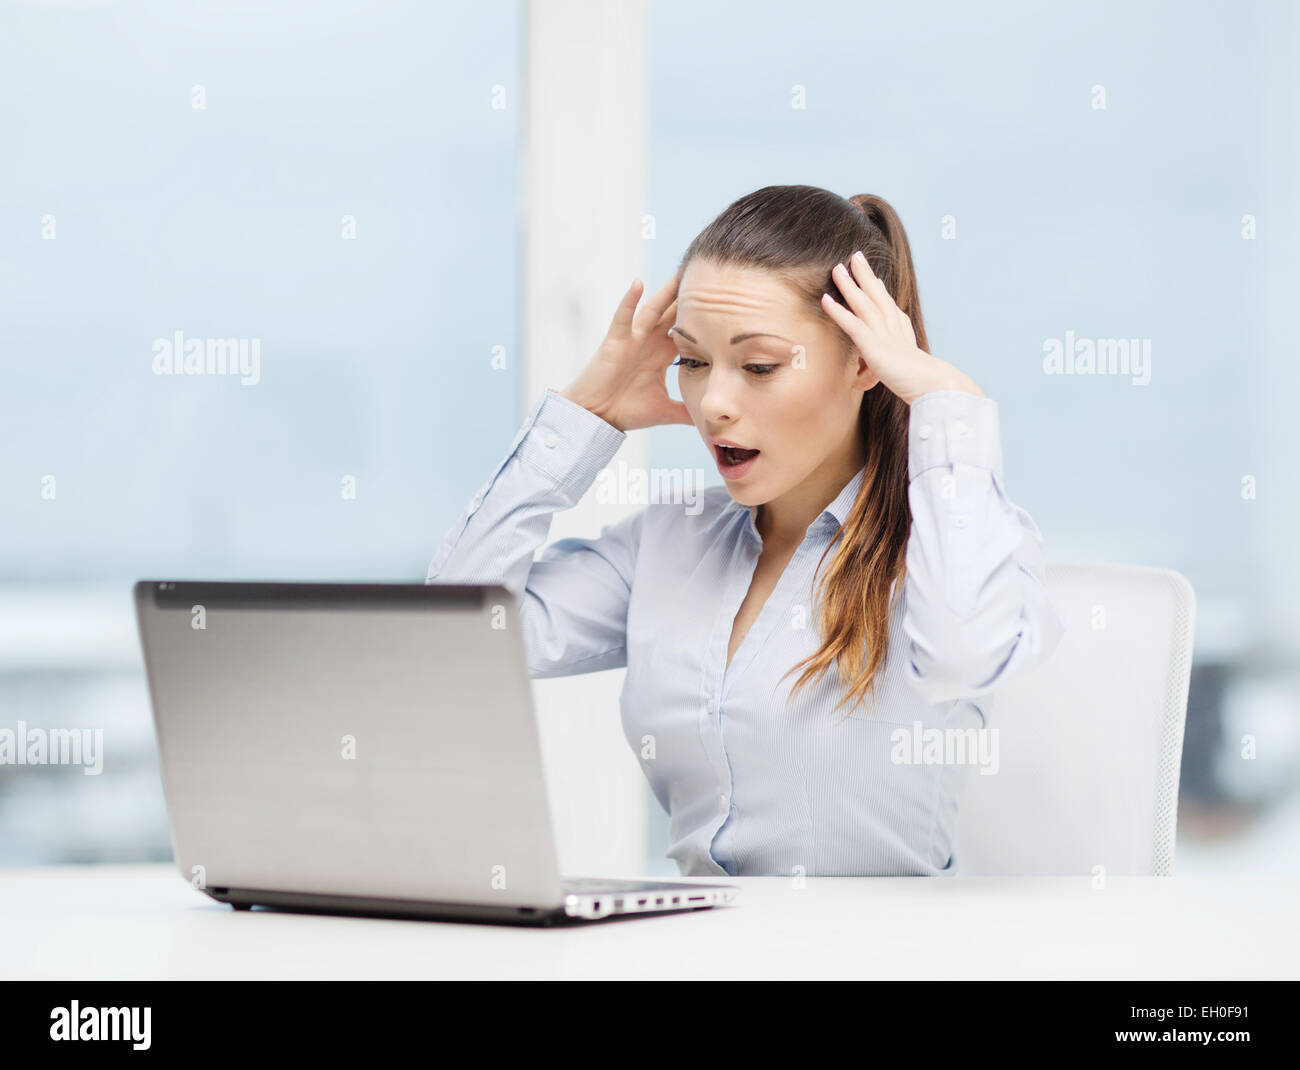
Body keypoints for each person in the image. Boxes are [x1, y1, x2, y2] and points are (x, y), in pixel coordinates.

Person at [427, 184, 1064, 878]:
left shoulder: (953, 544)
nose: (714, 405)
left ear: (863, 363)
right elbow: (459, 639)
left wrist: (949, 405)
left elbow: (961, 655)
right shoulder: (669, 543)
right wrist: (586, 414)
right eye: (692, 362)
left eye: (758, 366)